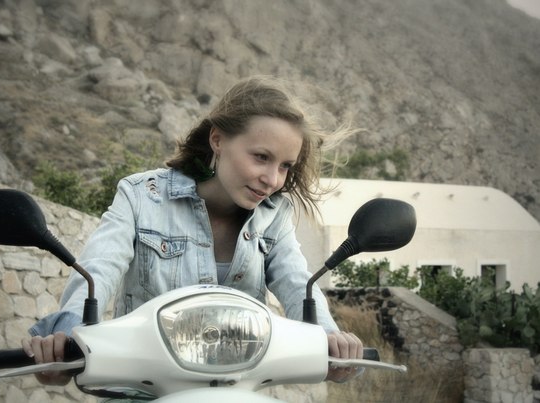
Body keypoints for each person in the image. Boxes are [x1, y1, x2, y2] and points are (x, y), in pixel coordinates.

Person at [22, 75, 363, 386]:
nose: (272, 179)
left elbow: (296, 282)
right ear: (218, 140)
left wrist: (330, 339)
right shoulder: (142, 196)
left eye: (285, 165)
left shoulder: (274, 216)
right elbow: (98, 269)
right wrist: (66, 337)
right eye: (261, 157)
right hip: (143, 392)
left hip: (234, 391)